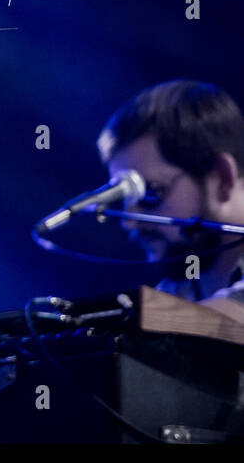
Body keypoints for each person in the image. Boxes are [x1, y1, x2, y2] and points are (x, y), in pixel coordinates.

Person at [97, 79, 244, 324]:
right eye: (125, 198)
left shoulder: (171, 313)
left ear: (221, 178)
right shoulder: (178, 289)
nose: (130, 223)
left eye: (151, 192)